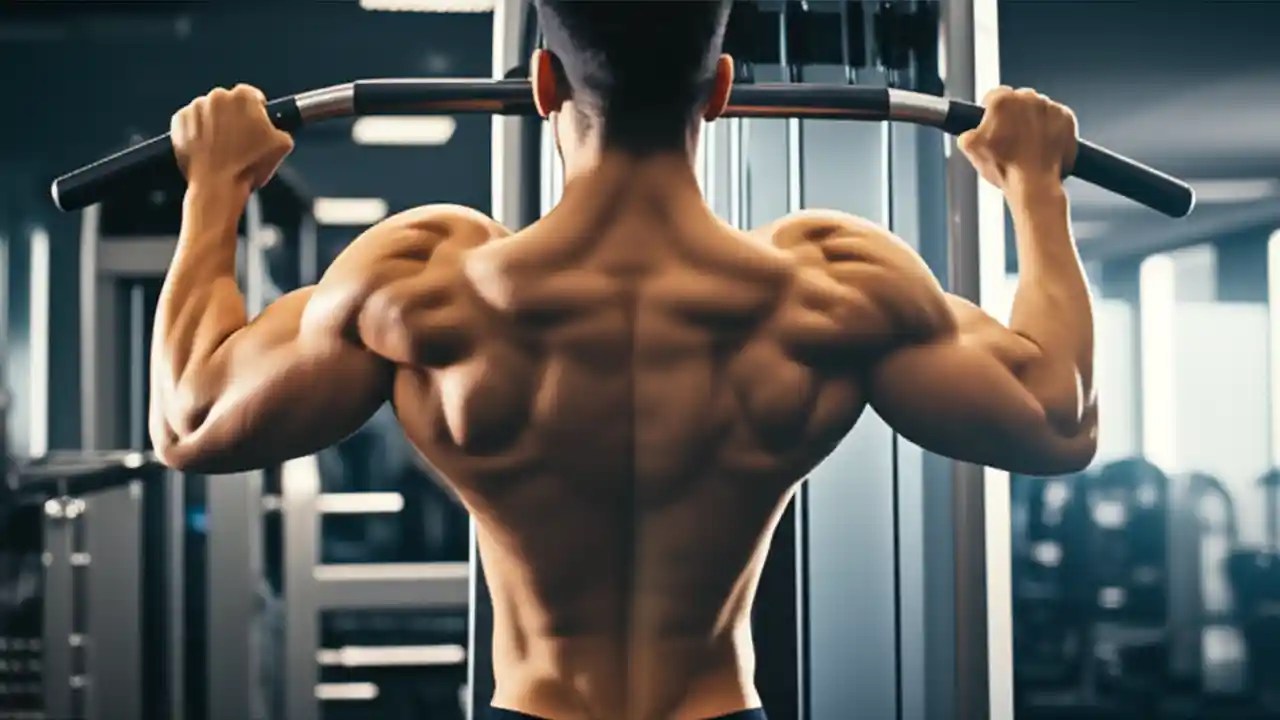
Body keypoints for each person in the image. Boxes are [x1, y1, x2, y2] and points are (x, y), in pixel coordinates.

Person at [149, 2, 1096, 718]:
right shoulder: (830, 286)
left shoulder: (428, 281)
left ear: (543, 83)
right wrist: (1034, 192)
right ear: (722, 88)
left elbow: (190, 420)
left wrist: (215, 191)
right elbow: (1058, 420)